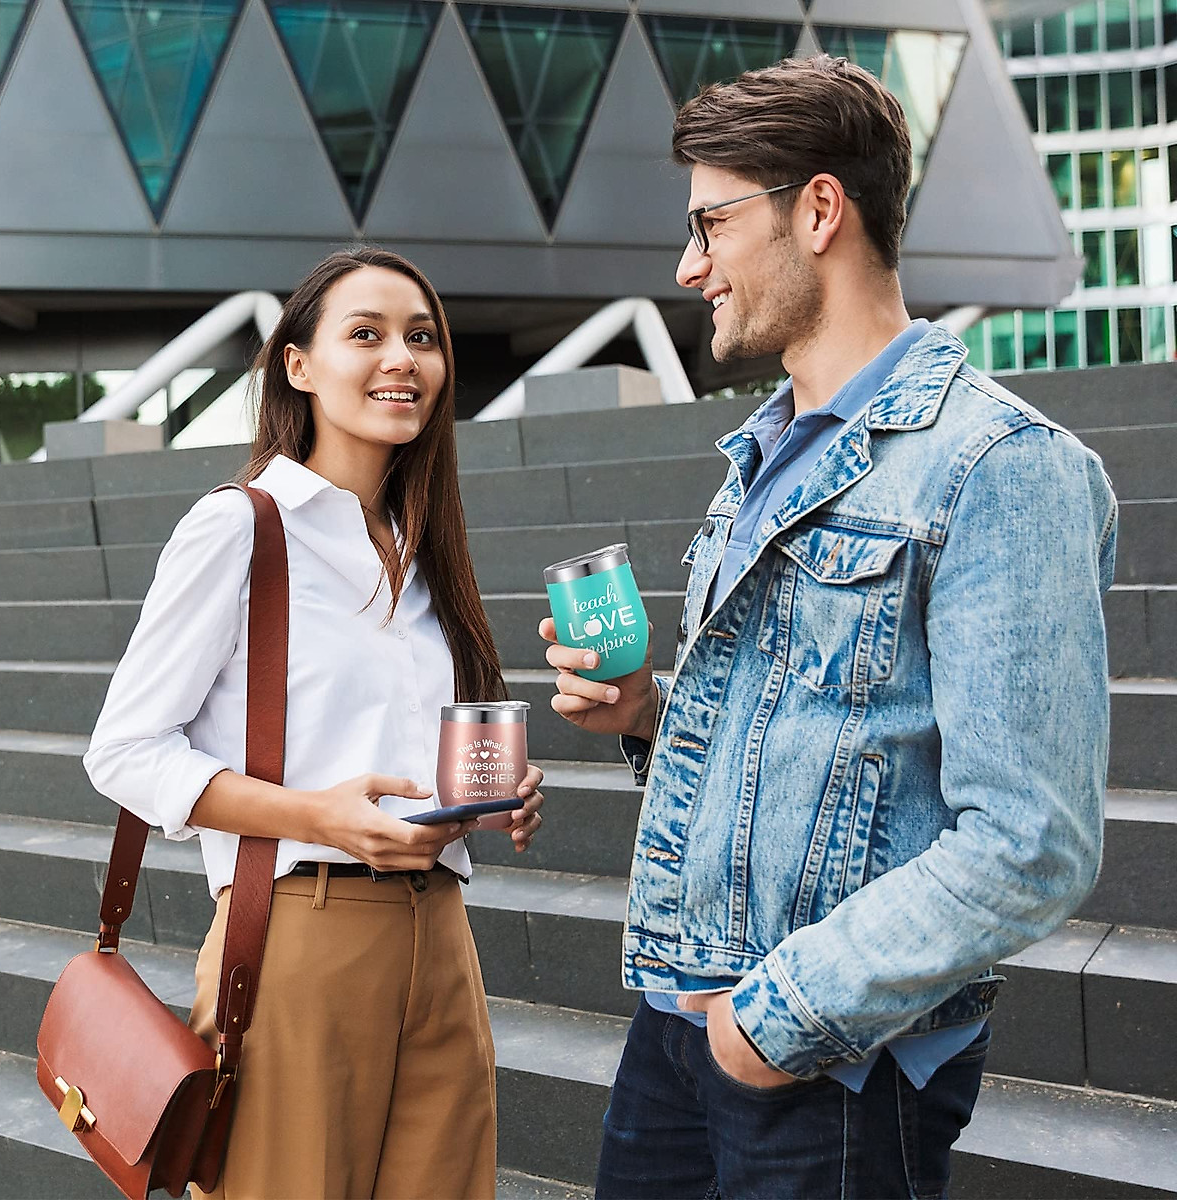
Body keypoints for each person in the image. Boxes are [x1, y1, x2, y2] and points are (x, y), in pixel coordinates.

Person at [540, 55, 1116, 1199]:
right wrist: (653, 716)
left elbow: (1032, 840)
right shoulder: (766, 448)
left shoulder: (1001, 467)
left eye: (713, 223)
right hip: (676, 1029)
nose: (687, 263)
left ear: (817, 209)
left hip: (829, 1063)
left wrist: (776, 1020)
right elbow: (803, 743)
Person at [84, 247, 544, 1200]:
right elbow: (123, 750)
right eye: (365, 334)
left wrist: (487, 801)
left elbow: (391, 753)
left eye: (422, 338)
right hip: (299, 938)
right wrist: (323, 817)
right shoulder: (242, 526)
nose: (401, 360)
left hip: (442, 938)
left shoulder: (423, 556)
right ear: (298, 365)